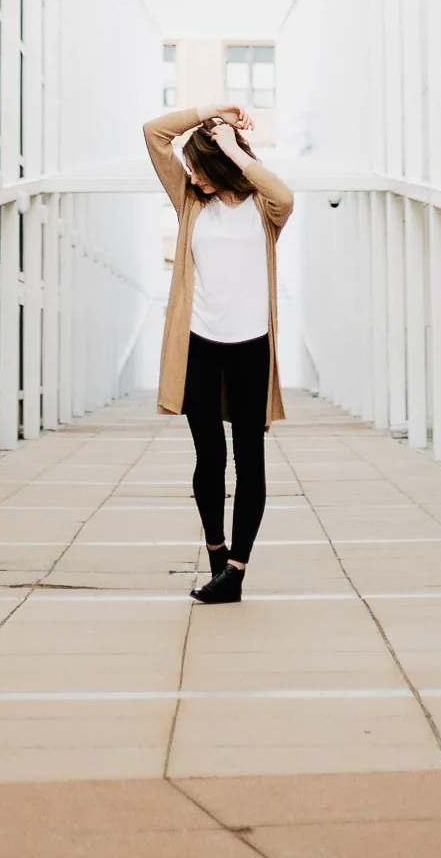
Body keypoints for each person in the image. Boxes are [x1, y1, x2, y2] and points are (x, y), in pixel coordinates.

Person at [143, 100, 294, 605]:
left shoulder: (264, 209)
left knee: (250, 460)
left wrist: (231, 145)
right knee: (209, 457)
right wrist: (213, 110)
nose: (192, 176)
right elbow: (154, 133)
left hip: (252, 347)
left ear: (223, 163)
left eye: (200, 168)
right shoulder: (190, 202)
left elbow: (285, 195)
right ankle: (216, 556)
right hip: (200, 346)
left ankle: (237, 569)